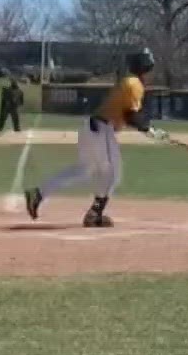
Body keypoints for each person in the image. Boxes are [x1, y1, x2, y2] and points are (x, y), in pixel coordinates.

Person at [23, 48, 166, 228]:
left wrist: (147, 127)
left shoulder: (129, 82)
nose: (152, 74)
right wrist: (148, 129)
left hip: (91, 128)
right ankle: (95, 214)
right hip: (101, 129)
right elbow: (131, 115)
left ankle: (39, 193)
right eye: (151, 69)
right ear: (145, 68)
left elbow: (131, 114)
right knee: (113, 173)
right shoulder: (134, 84)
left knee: (83, 170)